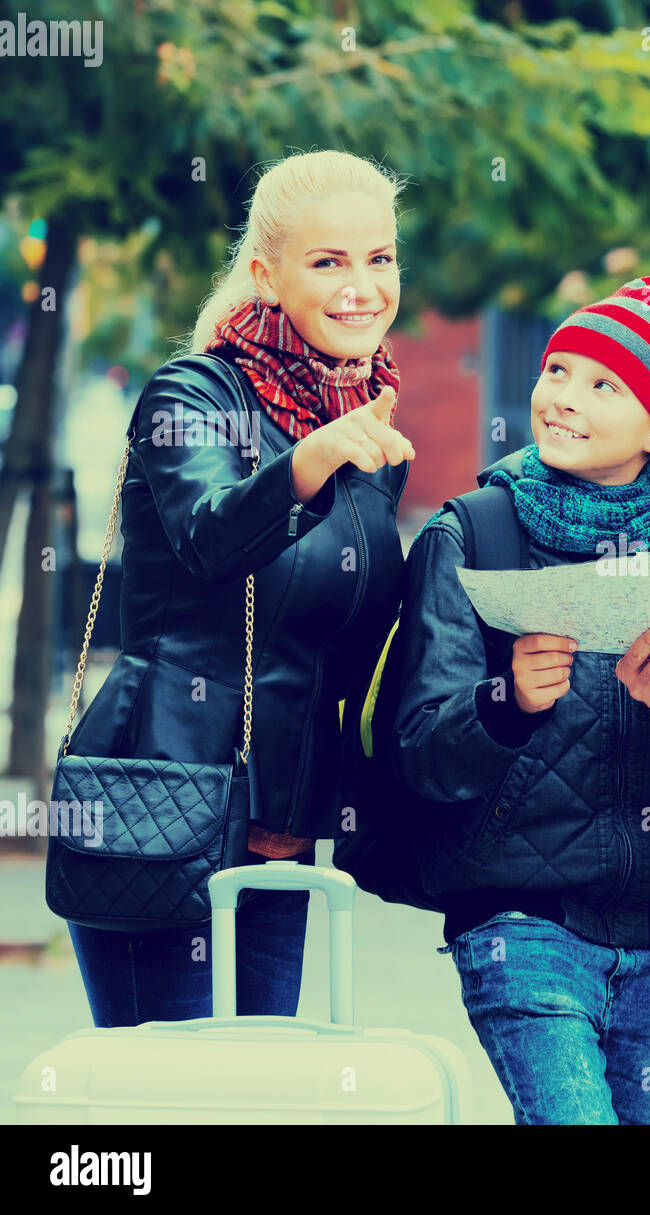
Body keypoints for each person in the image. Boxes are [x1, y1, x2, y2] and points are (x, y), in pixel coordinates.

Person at [59, 149, 415, 1026]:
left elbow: (348, 651)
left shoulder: (359, 425)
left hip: (279, 827)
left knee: (260, 1091)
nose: (361, 286)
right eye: (328, 261)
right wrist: (313, 458)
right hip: (164, 803)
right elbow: (211, 539)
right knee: (168, 1096)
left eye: (380, 258)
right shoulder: (196, 394)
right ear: (266, 272)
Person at [386, 274, 650, 1125]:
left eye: (602, 383)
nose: (562, 398)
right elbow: (420, 749)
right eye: (558, 370)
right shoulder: (474, 533)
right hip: (521, 926)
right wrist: (504, 703)